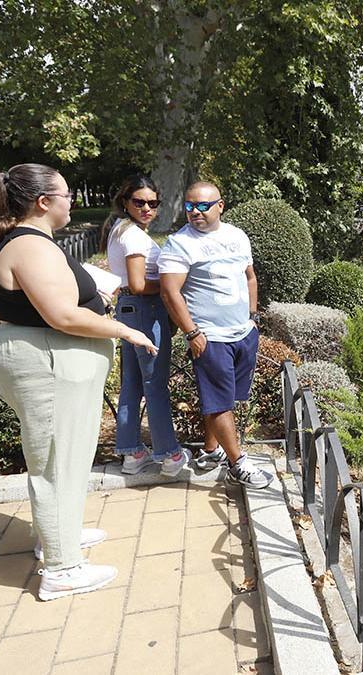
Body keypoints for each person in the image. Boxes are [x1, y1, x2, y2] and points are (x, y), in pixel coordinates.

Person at [0, 163, 158, 601]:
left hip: (54, 360)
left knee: (63, 455)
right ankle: (61, 567)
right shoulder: (29, 246)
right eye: (66, 194)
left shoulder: (33, 242)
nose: (72, 201)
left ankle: (58, 535)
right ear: (43, 202)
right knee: (58, 458)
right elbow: (60, 315)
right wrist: (124, 330)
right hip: (48, 361)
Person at [158, 181, 273, 489]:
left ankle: (211, 451)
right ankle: (239, 464)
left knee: (224, 398)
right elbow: (170, 292)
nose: (195, 212)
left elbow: (249, 276)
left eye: (202, 206)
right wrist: (192, 332)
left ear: (220, 206)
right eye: (189, 206)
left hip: (243, 332)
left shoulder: (237, 236)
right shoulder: (180, 244)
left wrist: (253, 317)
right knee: (220, 402)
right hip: (210, 337)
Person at [102, 175, 187, 476]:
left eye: (153, 203)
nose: (147, 208)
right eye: (139, 202)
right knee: (155, 383)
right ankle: (169, 454)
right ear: (126, 202)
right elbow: (138, 284)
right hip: (143, 310)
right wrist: (170, 286)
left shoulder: (120, 230)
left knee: (134, 383)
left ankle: (131, 452)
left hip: (130, 310)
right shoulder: (134, 236)